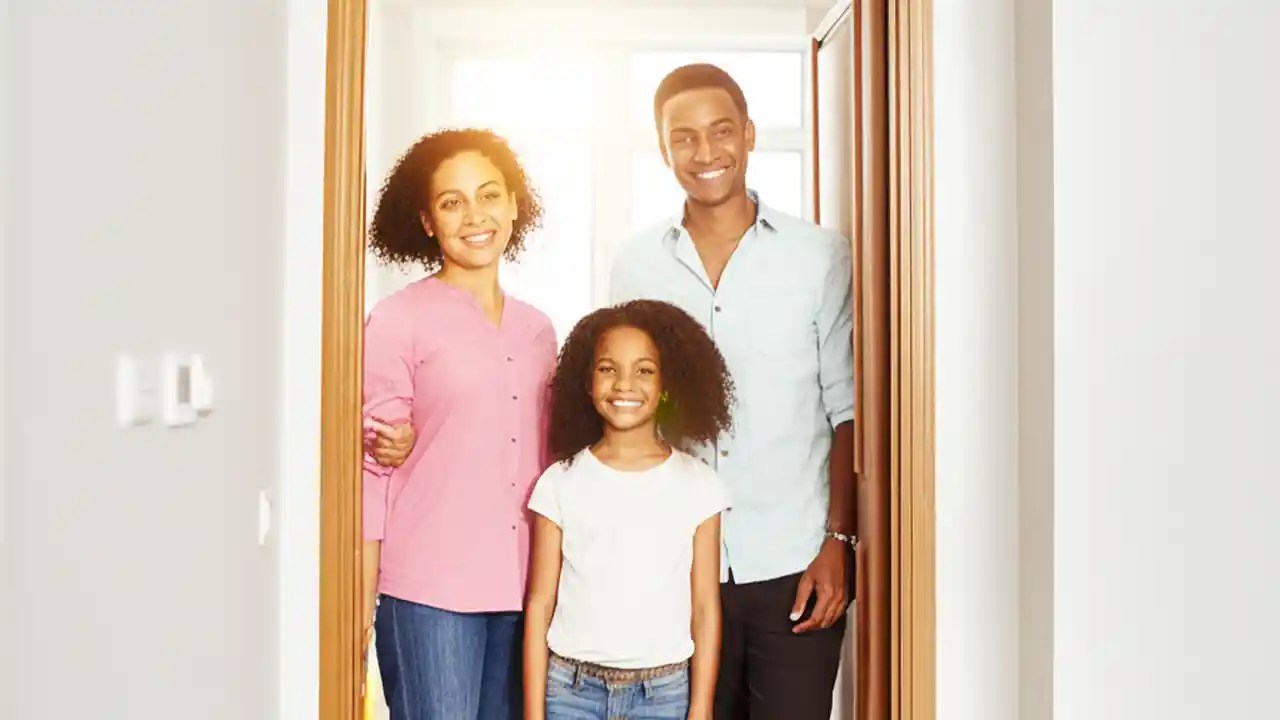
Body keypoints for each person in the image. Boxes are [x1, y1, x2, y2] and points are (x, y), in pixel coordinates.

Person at [609, 64, 858, 720]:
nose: (705, 152)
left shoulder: (819, 256)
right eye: (683, 138)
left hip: (795, 564)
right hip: (677, 567)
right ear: (664, 151)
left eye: (721, 132)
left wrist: (841, 542)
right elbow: (627, 409)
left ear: (749, 136)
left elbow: (847, 412)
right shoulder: (636, 265)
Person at [362, 128, 558, 720]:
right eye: (452, 202)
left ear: (514, 205)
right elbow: (372, 469)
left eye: (489, 195)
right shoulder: (398, 319)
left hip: (526, 589)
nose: (475, 215)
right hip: (429, 591)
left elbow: (552, 463)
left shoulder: (539, 330)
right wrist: (358, 603)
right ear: (427, 221)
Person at [523, 300, 736, 720]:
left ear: (668, 385)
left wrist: (702, 706)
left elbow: (706, 607)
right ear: (586, 382)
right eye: (607, 369)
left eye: (644, 370)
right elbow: (539, 604)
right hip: (571, 693)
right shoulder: (559, 483)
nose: (624, 385)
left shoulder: (699, 486)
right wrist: (533, 713)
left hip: (664, 696)